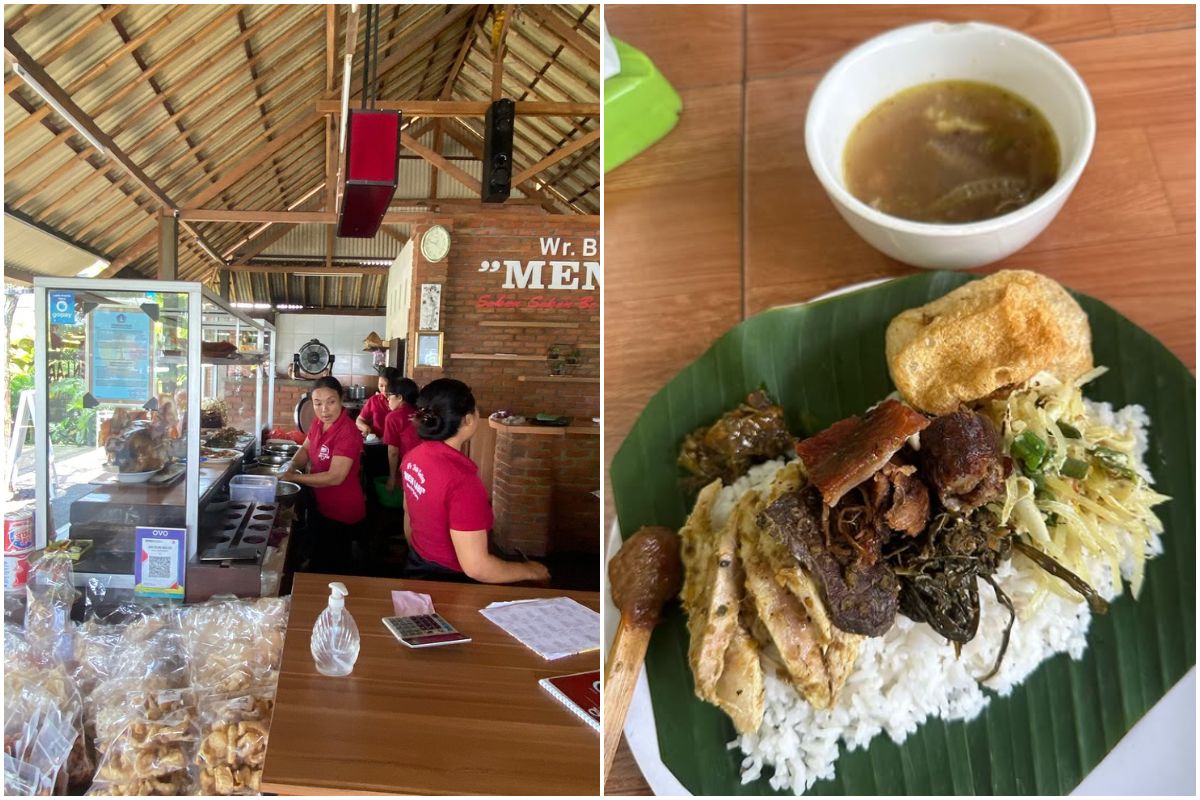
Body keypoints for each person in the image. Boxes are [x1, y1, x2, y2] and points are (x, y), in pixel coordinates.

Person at [400, 378, 550, 584]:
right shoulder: (462, 482)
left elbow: (408, 514)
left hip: (416, 564)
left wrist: (422, 552)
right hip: (450, 582)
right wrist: (531, 570)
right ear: (469, 419)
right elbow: (477, 567)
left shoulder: (414, 457)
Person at [282, 377, 366, 573]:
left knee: (333, 569)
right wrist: (292, 465)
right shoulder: (318, 423)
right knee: (318, 560)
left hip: (342, 513)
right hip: (321, 505)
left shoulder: (348, 432)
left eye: (331, 402)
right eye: (318, 403)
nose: (324, 409)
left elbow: (335, 477)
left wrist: (293, 477)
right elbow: (305, 449)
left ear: (341, 399)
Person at [383, 377, 421, 493]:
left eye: (390, 395)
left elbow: (393, 452)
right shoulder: (421, 413)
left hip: (411, 466)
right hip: (428, 464)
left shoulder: (393, 417)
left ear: (400, 397)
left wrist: (392, 477)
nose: (387, 398)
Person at [356, 366, 401, 438]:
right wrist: (365, 428)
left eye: (388, 386)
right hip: (377, 441)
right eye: (381, 385)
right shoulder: (374, 400)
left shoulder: (402, 402)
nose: (384, 390)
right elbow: (359, 420)